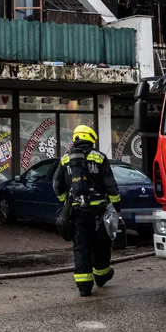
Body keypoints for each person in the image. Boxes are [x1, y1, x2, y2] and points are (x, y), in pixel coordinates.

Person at [54, 125, 121, 296]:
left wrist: (66, 203)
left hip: (77, 211)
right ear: (91, 138)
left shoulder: (65, 160)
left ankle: (84, 285)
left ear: (75, 138)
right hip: (99, 211)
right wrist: (116, 207)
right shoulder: (99, 158)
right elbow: (110, 185)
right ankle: (101, 276)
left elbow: (57, 185)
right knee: (101, 243)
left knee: (80, 246)